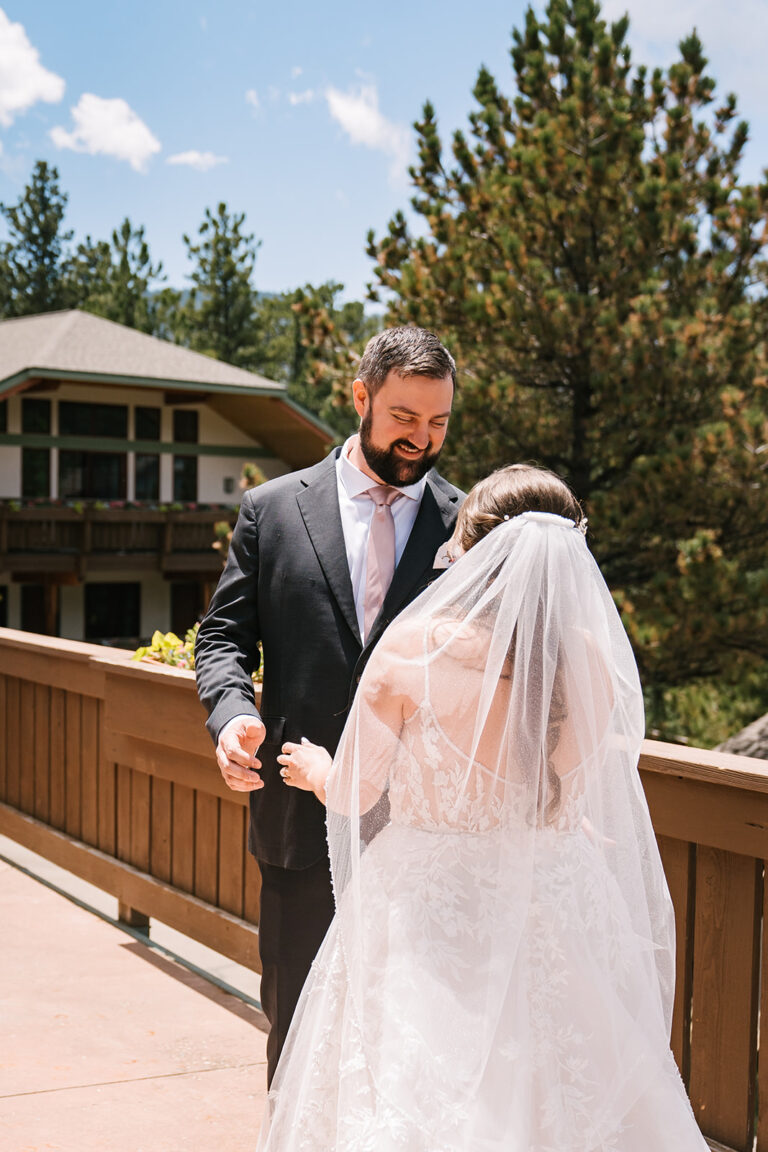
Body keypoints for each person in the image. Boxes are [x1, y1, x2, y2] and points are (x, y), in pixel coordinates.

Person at [259, 464, 709, 1151]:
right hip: (551, 897)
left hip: (427, 907)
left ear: (471, 551)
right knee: (561, 1080)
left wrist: (321, 770)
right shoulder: (588, 660)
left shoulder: (414, 649)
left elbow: (355, 793)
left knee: (420, 1085)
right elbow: (572, 785)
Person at [194, 326, 464, 1084]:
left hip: (425, 837)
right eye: (405, 418)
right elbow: (221, 637)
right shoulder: (272, 510)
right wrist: (229, 716)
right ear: (360, 397)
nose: (422, 439)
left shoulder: (470, 527)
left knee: (414, 1047)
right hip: (297, 827)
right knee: (299, 1034)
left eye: (439, 422)